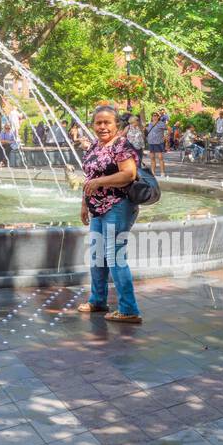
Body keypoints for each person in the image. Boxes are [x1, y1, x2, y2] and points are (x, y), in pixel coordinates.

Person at [77, 102, 142, 325]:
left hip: (118, 205)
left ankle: (128, 308)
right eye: (98, 122)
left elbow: (129, 174)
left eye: (107, 122)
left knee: (115, 257)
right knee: (97, 256)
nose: (102, 126)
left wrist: (99, 182)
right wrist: (85, 204)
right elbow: (88, 178)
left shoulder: (121, 146)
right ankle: (98, 300)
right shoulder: (95, 146)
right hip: (97, 208)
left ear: (116, 124)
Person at [146, 110, 168, 177]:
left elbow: (169, 129)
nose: (154, 117)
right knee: (152, 158)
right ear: (152, 117)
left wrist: (166, 137)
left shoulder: (161, 123)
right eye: (153, 116)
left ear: (158, 117)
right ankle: (153, 173)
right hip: (151, 142)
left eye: (156, 116)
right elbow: (147, 131)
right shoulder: (150, 124)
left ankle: (162, 173)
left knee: (160, 157)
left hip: (159, 142)